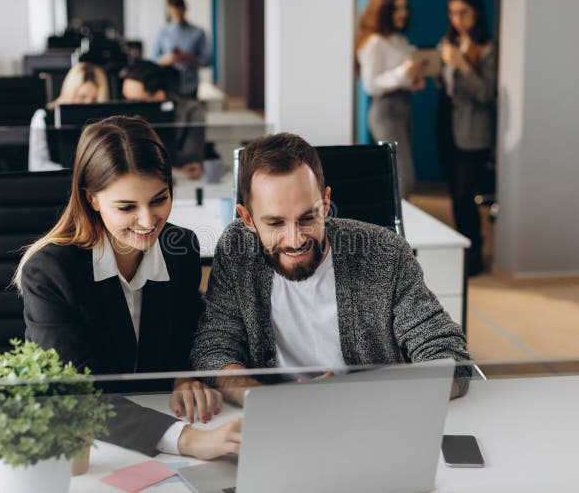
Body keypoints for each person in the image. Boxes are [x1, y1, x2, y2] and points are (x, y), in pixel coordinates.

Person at [15, 116, 241, 458]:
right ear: (92, 199)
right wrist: (187, 440)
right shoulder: (50, 272)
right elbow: (76, 394)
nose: (149, 221)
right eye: (127, 207)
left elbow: (189, 338)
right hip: (88, 446)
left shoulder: (180, 249)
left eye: (159, 199)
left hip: (165, 419)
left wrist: (185, 377)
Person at [190, 133, 471, 405]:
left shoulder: (385, 251)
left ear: (325, 204)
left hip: (372, 416)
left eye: (307, 217)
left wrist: (353, 401)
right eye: (275, 223)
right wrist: (267, 401)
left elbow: (448, 355)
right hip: (276, 419)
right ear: (247, 219)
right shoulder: (237, 250)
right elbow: (213, 348)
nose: (295, 239)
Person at [437, 0, 497, 276]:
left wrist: (463, 66)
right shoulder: (449, 41)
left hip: (473, 131)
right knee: (454, 195)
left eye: (463, 12)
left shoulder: (487, 48)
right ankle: (464, 251)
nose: (457, 18)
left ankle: (474, 255)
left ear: (477, 13)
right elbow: (447, 85)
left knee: (465, 195)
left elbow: (486, 93)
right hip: (447, 123)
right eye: (452, 13)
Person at [356, 0, 425, 198]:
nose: (403, 14)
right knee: (402, 179)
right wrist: (402, 74)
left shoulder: (400, 40)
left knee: (401, 178)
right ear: (384, 11)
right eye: (396, 9)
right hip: (386, 110)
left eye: (405, 8)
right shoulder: (374, 42)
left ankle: (397, 228)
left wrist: (411, 81)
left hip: (403, 105)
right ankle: (392, 229)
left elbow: (399, 77)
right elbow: (370, 84)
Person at [120, 59, 206, 180]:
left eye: (135, 101)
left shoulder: (190, 110)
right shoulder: (120, 112)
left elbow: (190, 159)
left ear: (159, 96)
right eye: (125, 99)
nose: (128, 107)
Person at [28, 62, 110, 171]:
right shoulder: (42, 117)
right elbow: (37, 166)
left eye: (94, 100)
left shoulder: (106, 119)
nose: (88, 104)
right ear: (70, 92)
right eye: (82, 97)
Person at [152, 0, 210, 99]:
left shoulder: (198, 33)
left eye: (180, 13)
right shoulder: (162, 33)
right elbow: (153, 60)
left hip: (190, 85)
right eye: (174, 13)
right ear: (169, 12)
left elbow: (206, 61)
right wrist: (168, 59)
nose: (178, 17)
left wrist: (188, 58)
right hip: (168, 84)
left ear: (185, 10)